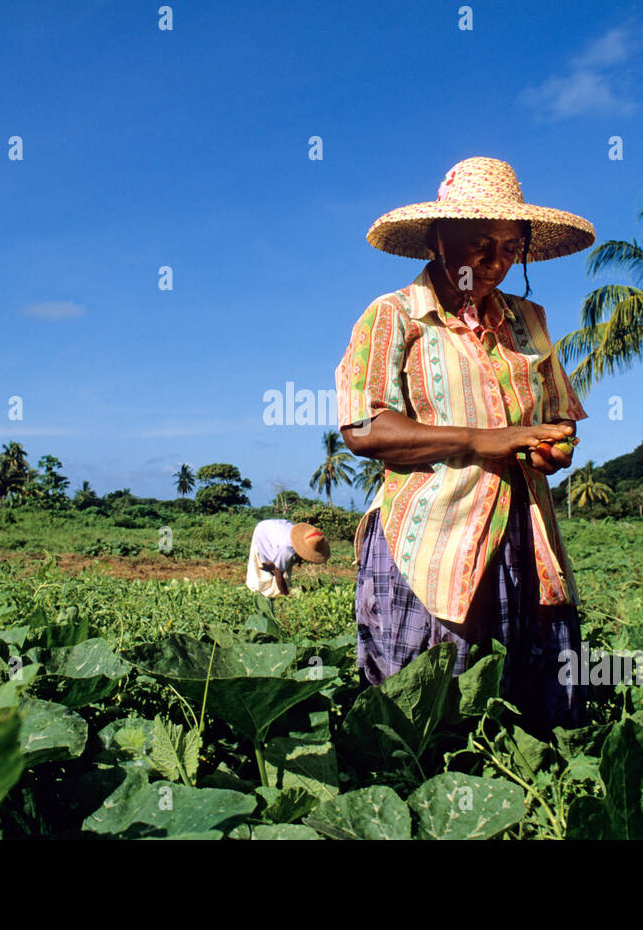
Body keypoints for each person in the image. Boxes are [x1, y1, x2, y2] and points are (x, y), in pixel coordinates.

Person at [334, 156, 594, 737]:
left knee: (526, 705)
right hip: (431, 539)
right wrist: (484, 440)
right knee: (423, 702)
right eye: (480, 244)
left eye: (510, 246)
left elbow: (560, 421)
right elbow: (364, 429)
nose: (495, 262)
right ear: (436, 238)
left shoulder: (530, 322)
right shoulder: (393, 317)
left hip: (524, 533)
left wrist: (552, 449)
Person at [245, 519, 330, 597]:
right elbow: (279, 575)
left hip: (278, 528)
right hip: (263, 530)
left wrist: (299, 558)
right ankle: (260, 590)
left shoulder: (302, 536)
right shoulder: (286, 548)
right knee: (265, 571)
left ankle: (279, 581)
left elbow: (298, 549)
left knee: (281, 563)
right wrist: (286, 596)